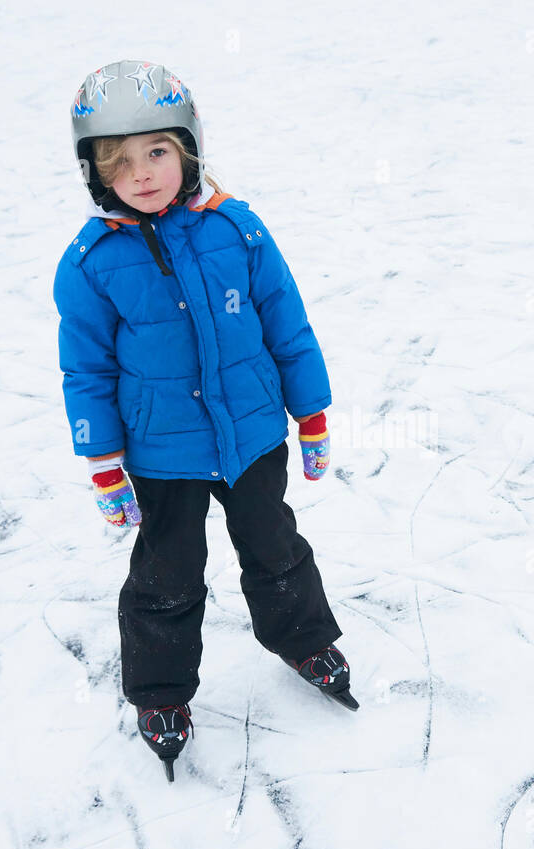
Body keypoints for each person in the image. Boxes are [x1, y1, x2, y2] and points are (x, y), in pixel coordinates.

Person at [54, 60, 357, 782]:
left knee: (274, 544)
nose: (144, 173)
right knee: (167, 572)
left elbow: (287, 321)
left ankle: (304, 637)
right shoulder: (91, 264)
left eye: (157, 151)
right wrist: (102, 462)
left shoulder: (237, 229)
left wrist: (309, 412)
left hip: (252, 434)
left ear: (187, 147)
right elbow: (86, 371)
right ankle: (160, 692)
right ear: (96, 173)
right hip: (163, 455)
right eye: (119, 161)